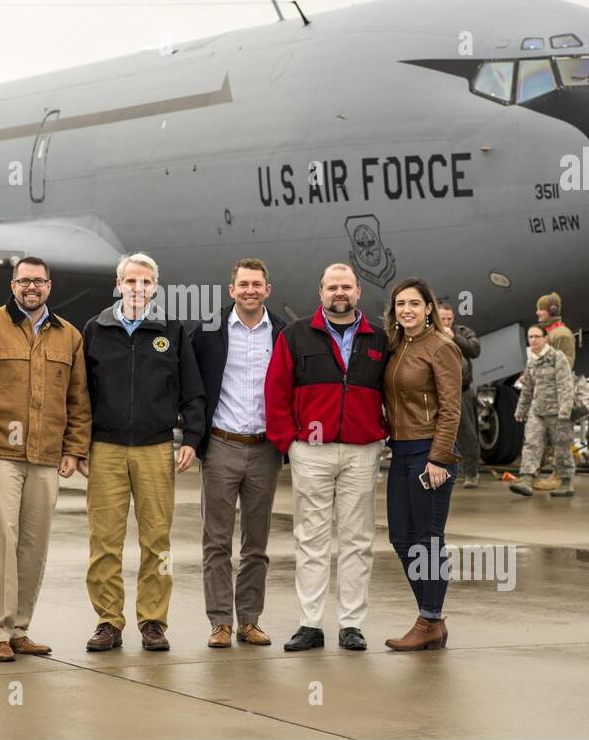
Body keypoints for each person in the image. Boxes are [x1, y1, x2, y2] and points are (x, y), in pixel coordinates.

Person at [0, 257, 91, 662]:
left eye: (39, 281)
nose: (31, 287)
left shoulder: (68, 336)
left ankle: (19, 629)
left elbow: (78, 398)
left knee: (33, 545)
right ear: (13, 285)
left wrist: (74, 448)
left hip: (46, 455)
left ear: (49, 286)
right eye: (24, 281)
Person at [82, 253, 206, 652]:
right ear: (118, 285)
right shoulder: (96, 330)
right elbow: (80, 394)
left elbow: (192, 391)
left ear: (155, 287)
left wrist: (191, 439)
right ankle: (108, 621)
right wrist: (78, 445)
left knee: (157, 540)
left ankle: (153, 621)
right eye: (130, 282)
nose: (138, 289)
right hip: (106, 448)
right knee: (104, 541)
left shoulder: (172, 330)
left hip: (155, 448)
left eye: (145, 283)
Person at [265, 263, 389, 653]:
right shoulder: (295, 335)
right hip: (311, 451)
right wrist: (290, 444)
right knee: (311, 539)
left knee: (358, 540)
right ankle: (310, 624)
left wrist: (384, 436)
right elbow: (275, 391)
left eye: (346, 287)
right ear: (320, 292)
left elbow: (393, 392)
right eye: (333, 287)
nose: (340, 293)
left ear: (358, 293)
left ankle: (351, 624)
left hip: (362, 450)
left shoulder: (379, 339)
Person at [190, 258, 288, 648]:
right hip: (221, 445)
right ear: (231, 290)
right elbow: (194, 388)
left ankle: (249, 620)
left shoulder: (282, 332)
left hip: (265, 449)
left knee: (256, 542)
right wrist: (194, 439)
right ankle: (220, 622)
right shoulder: (208, 331)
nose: (250, 290)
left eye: (257, 284)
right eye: (243, 284)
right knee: (216, 540)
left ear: (268, 290)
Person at [381, 277, 464, 651]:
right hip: (400, 451)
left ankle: (429, 618)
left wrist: (439, 458)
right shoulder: (398, 346)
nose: (407, 310)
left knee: (429, 540)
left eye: (414, 303)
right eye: (400, 304)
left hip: (428, 453)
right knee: (401, 538)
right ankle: (431, 617)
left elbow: (451, 408)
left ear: (429, 308)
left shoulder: (441, 347)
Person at [509, 324, 577, 498]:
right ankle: (526, 479)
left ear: (545, 338)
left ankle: (566, 482)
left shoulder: (556, 357)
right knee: (531, 443)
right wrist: (521, 409)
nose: (533, 340)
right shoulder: (531, 360)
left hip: (557, 412)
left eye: (536, 337)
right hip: (538, 410)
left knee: (561, 447)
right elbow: (528, 388)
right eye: (530, 337)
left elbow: (565, 385)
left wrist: (564, 411)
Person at [437, 302, 481, 488]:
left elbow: (475, 350)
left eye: (449, 318)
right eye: (442, 319)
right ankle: (444, 470)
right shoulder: (429, 332)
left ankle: (471, 473)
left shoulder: (462, 332)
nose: (446, 322)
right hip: (437, 390)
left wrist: (455, 338)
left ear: (453, 317)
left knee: (467, 433)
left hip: (460, 390)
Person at [536, 291, 576, 368]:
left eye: (540, 309)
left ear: (552, 311)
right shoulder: (550, 332)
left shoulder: (562, 334)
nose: (537, 312)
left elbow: (564, 367)